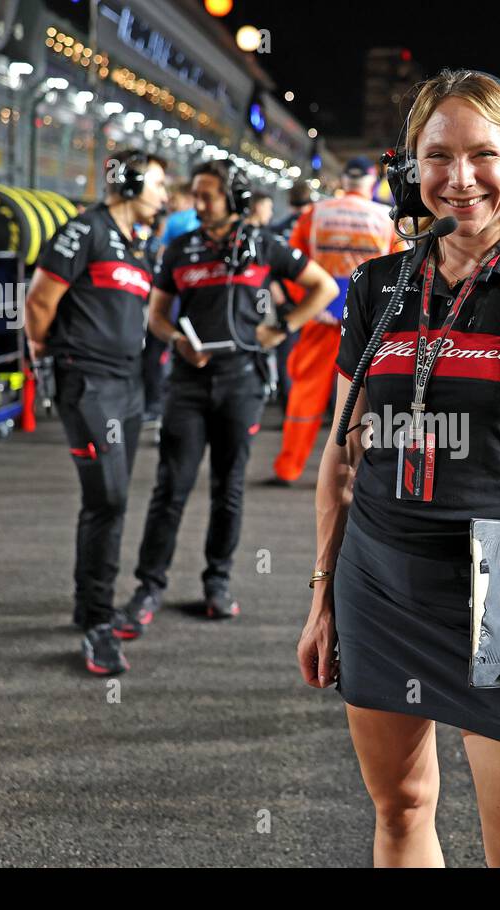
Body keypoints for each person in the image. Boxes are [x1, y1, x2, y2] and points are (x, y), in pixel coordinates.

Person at [296, 69, 500, 867]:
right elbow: (341, 456)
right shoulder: (376, 285)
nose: (461, 177)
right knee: (401, 807)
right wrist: (322, 596)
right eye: (438, 155)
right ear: (410, 168)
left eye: (484, 153)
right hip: (376, 578)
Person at [114, 161, 337, 634]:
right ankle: (148, 586)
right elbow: (156, 314)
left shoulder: (264, 245)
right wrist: (176, 340)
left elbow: (324, 287)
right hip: (188, 385)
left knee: (228, 489)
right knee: (170, 488)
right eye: (195, 194)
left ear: (233, 199)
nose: (198, 203)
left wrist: (281, 328)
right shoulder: (179, 248)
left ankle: (217, 582)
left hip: (242, 382)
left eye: (208, 195)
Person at [23, 149, 169, 675]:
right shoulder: (83, 230)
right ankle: (99, 623)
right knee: (107, 497)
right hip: (87, 382)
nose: (165, 196)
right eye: (157, 184)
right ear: (129, 184)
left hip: (127, 386)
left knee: (109, 502)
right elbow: (39, 302)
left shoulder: (140, 247)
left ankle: (88, 605)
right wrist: (46, 355)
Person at [267, 156, 399, 487]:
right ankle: (357, 471)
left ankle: (289, 466)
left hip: (321, 319)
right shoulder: (386, 218)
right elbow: (399, 271)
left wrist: (307, 305)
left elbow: (292, 264)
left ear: (343, 180)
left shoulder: (315, 213)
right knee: (364, 398)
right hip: (367, 325)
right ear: (371, 182)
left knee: (305, 394)